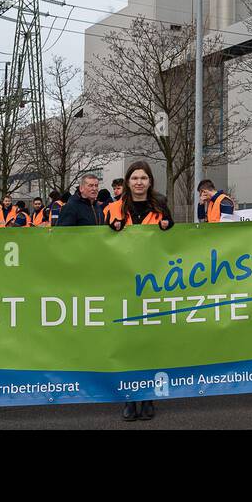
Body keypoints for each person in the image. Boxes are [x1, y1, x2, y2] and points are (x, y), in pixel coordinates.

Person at [104, 161, 172, 422]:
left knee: (149, 343)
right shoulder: (112, 208)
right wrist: (111, 229)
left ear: (150, 181)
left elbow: (174, 239)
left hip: (153, 285)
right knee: (128, 344)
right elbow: (99, 240)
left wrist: (169, 226)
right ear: (128, 181)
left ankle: (148, 397)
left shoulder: (160, 205)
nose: (139, 182)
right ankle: (130, 398)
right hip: (123, 284)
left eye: (144, 178)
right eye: (134, 178)